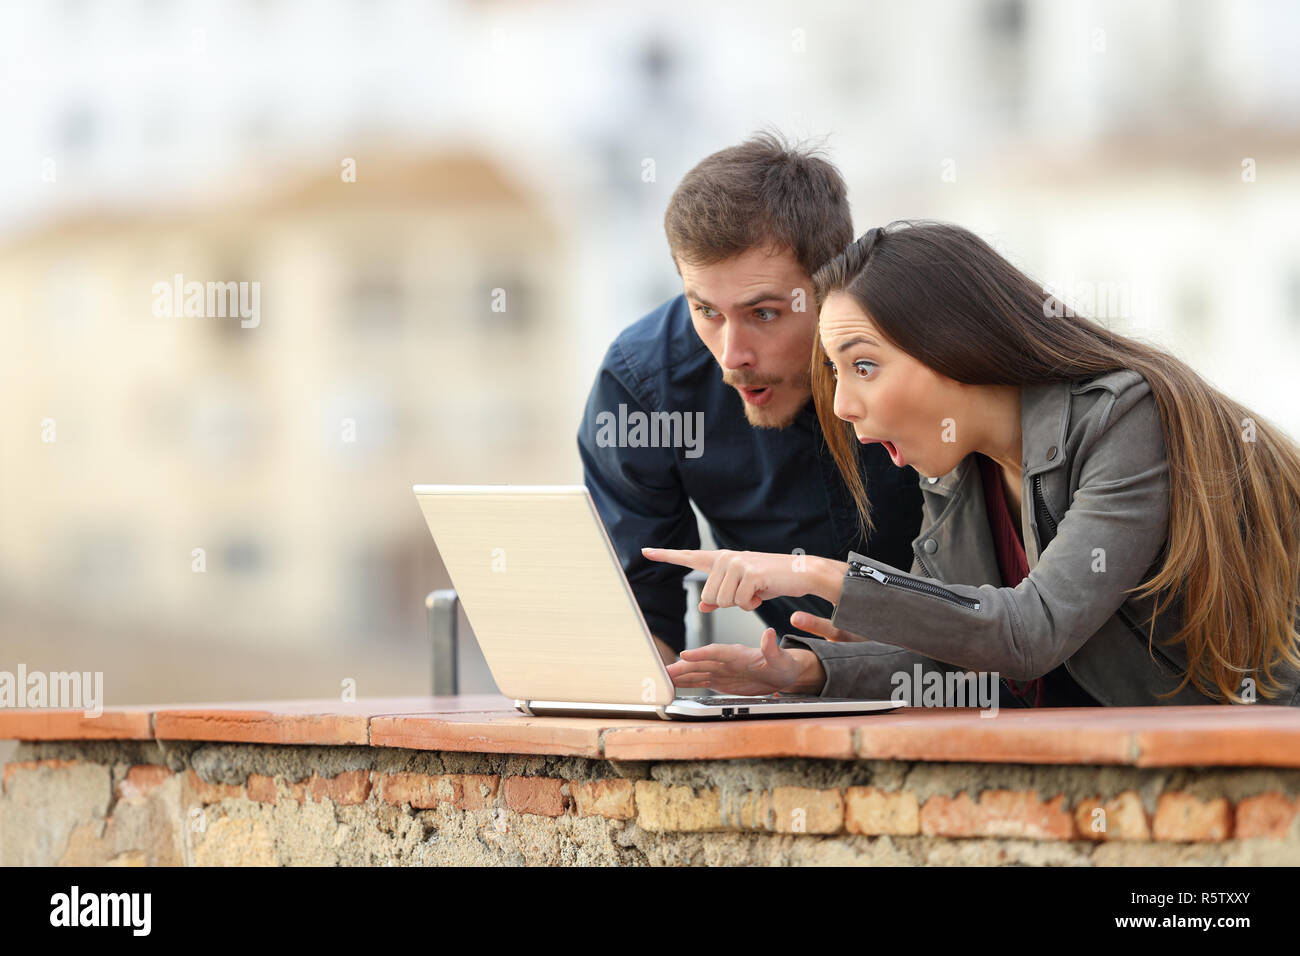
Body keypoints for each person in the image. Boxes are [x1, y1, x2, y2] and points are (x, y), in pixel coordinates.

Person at [648, 220, 1300, 707]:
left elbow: (1031, 631)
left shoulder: (1125, 419)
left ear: (955, 348)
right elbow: (963, 657)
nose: (842, 405)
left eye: (865, 365)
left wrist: (813, 573)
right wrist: (806, 673)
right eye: (835, 373)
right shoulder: (957, 470)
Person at [577, 133, 923, 665]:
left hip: (980, 683)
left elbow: (1009, 603)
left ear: (832, 284)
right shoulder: (643, 384)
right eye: (706, 311)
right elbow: (642, 611)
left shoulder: (923, 347)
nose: (731, 355)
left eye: (764, 313)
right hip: (800, 696)